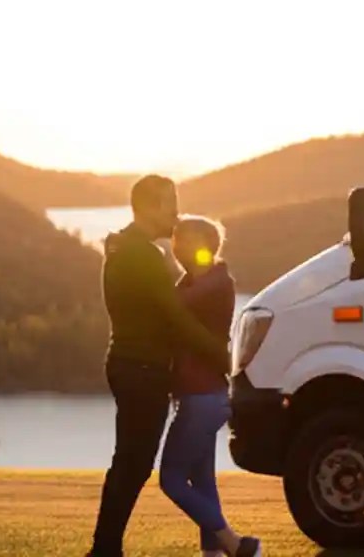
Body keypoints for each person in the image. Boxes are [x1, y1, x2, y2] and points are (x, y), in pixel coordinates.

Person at [88, 175, 232, 557]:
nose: (176, 211)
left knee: (129, 461)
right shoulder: (142, 255)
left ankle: (106, 547)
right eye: (170, 203)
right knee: (133, 464)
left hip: (128, 365)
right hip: (142, 370)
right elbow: (174, 318)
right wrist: (225, 357)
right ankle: (104, 549)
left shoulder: (123, 248)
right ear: (149, 208)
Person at [159, 216, 262, 557]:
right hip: (202, 396)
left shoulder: (216, 281)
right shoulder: (191, 282)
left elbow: (170, 307)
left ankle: (237, 544)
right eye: (174, 239)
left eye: (182, 239)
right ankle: (212, 553)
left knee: (171, 479)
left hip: (203, 399)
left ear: (202, 246)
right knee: (203, 481)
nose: (175, 246)